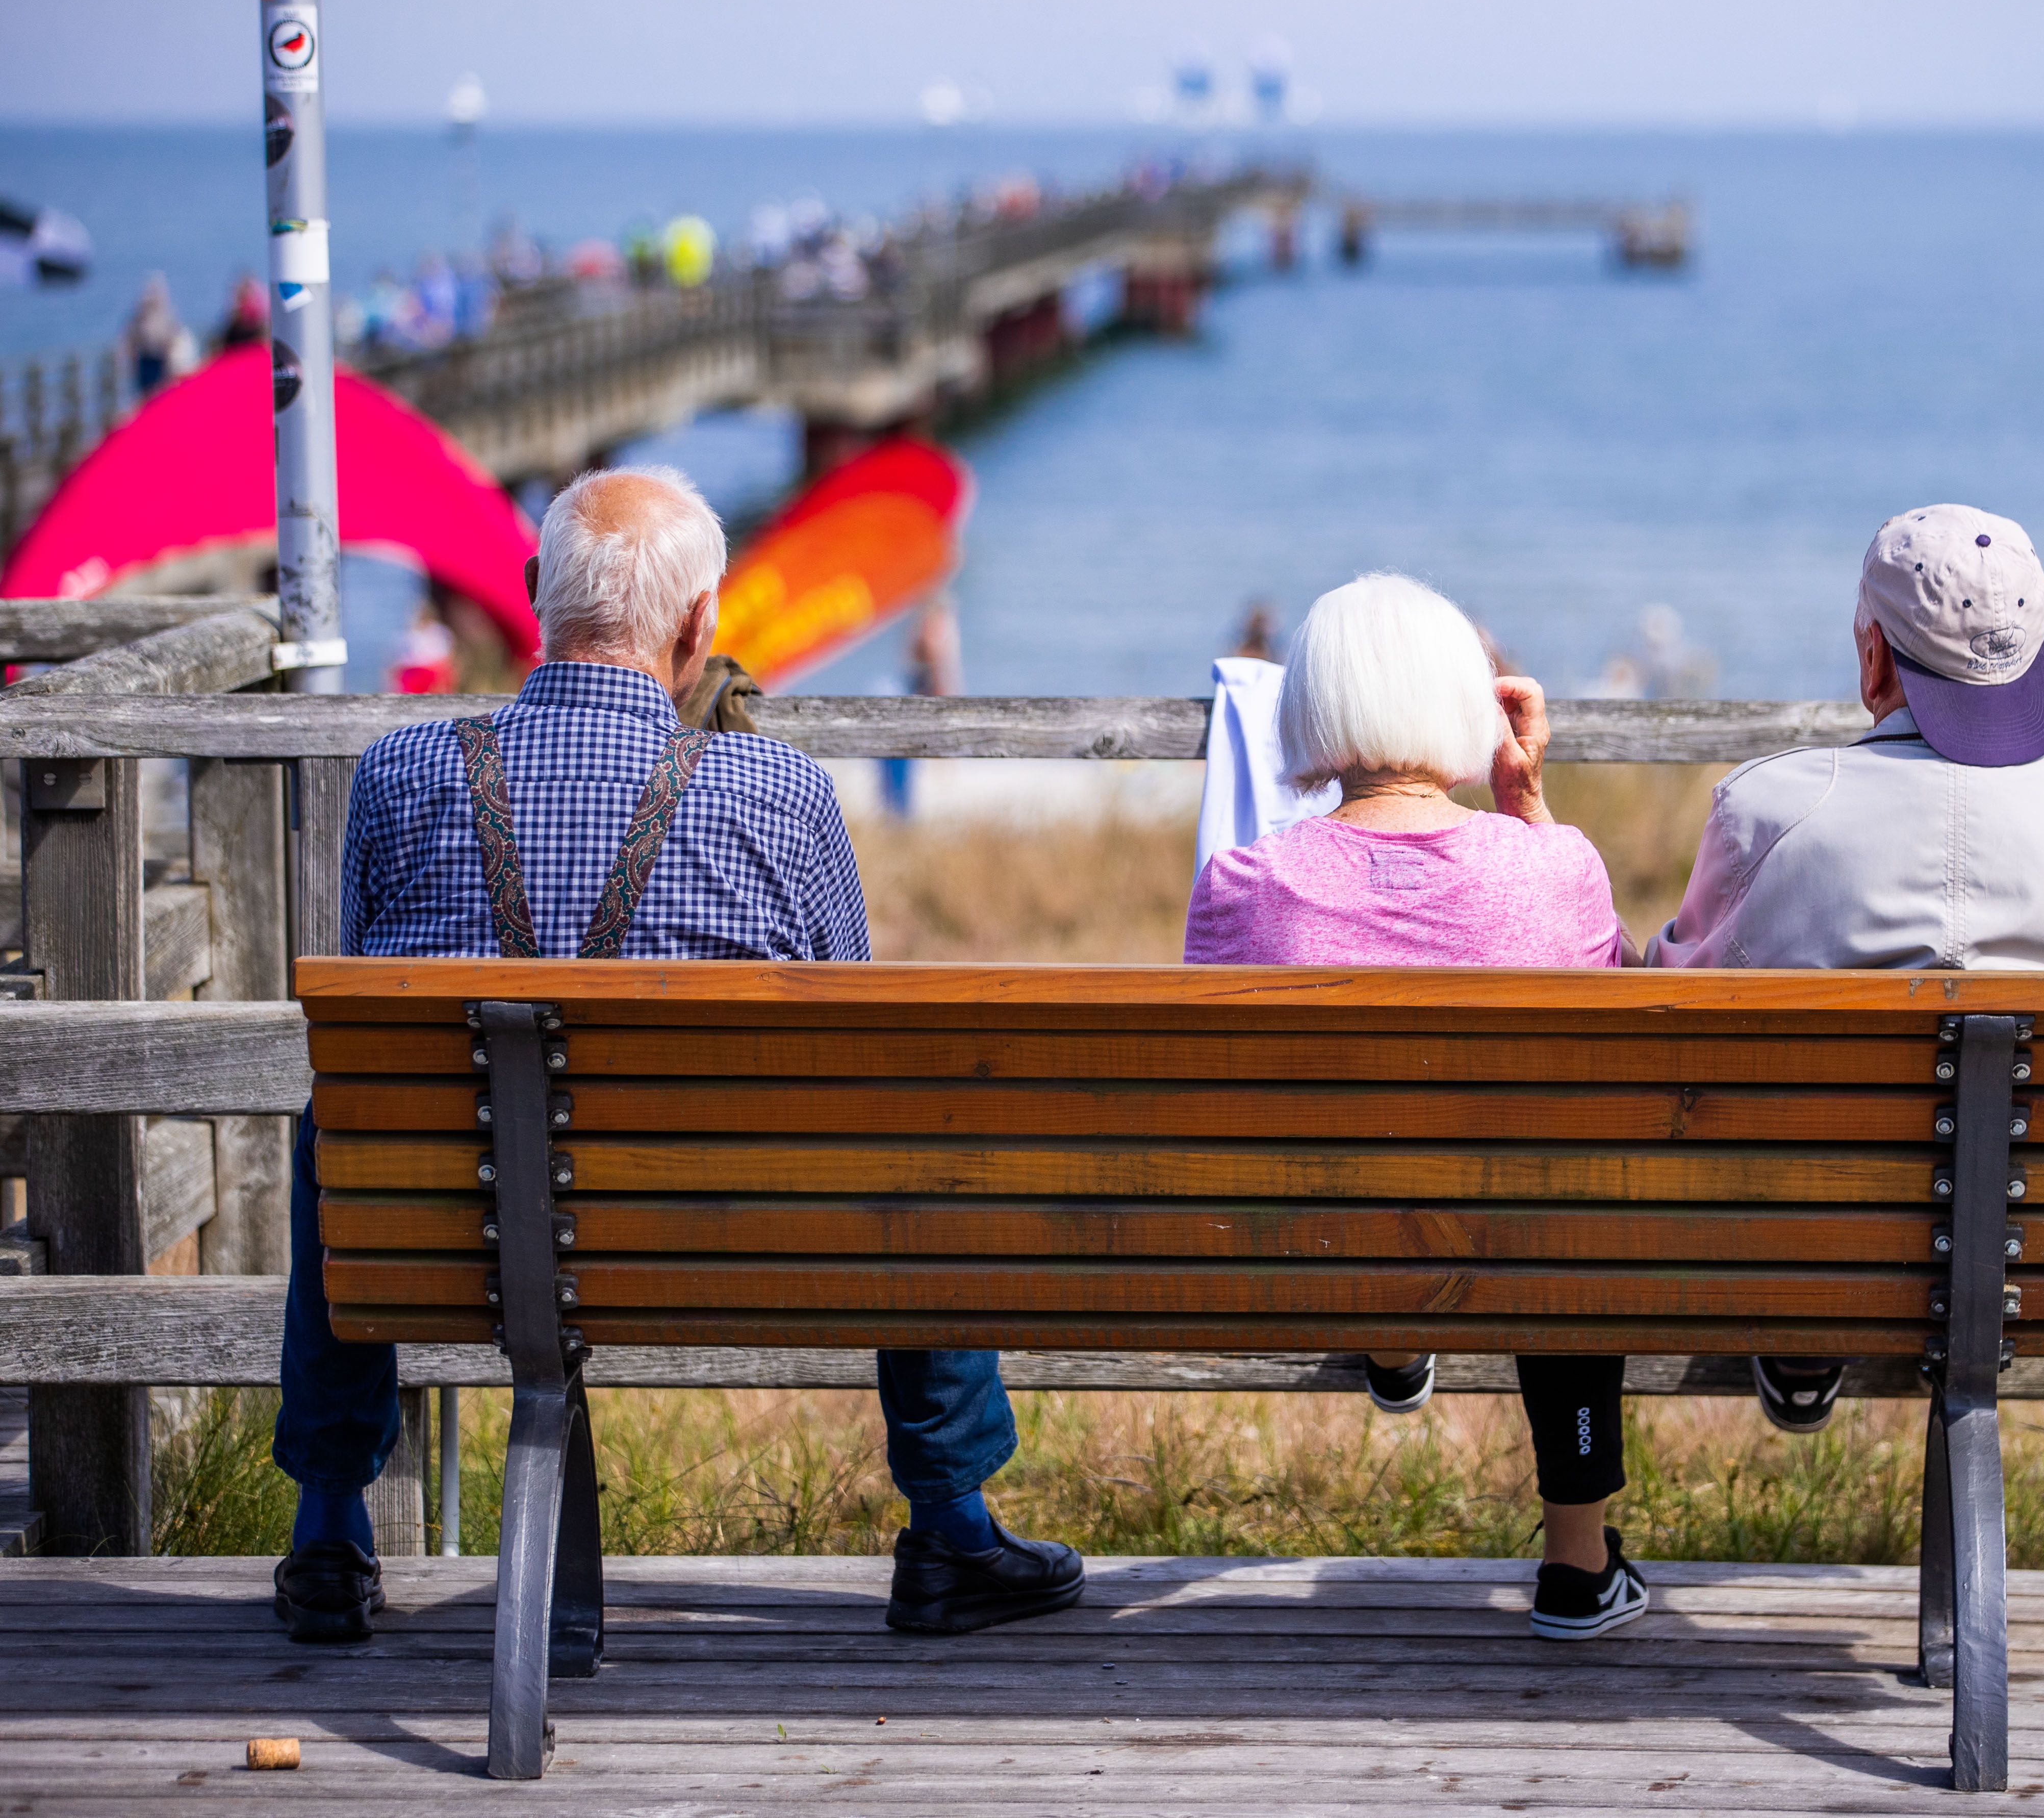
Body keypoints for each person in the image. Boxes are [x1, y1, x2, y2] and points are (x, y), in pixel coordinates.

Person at [273, 466, 1083, 1644]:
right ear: (702, 623)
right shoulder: (785, 792)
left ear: (536, 593)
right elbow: (860, 1047)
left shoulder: (398, 777)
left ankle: (329, 1523)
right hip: (727, 1240)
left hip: (464, 1240)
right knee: (914, 1118)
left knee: (340, 1121)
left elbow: (371, 1016)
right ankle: (951, 1521)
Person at [1649, 504, 2044, 1432]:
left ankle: (1808, 1329)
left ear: (1874, 658)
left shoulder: (1768, 812)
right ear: (2034, 655)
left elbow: (1670, 1001)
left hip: (1804, 1245)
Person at [1185, 574, 1649, 1642]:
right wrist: (1525, 801)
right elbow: (1609, 997)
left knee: (1375, 1157)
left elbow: (1221, 1083)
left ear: (1312, 707)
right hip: (1522, 1239)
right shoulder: (1553, 868)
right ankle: (1577, 1562)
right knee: (1558, 1172)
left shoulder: (1243, 881)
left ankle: (1393, 1331)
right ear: (1469, 706)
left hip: (1312, 1237)